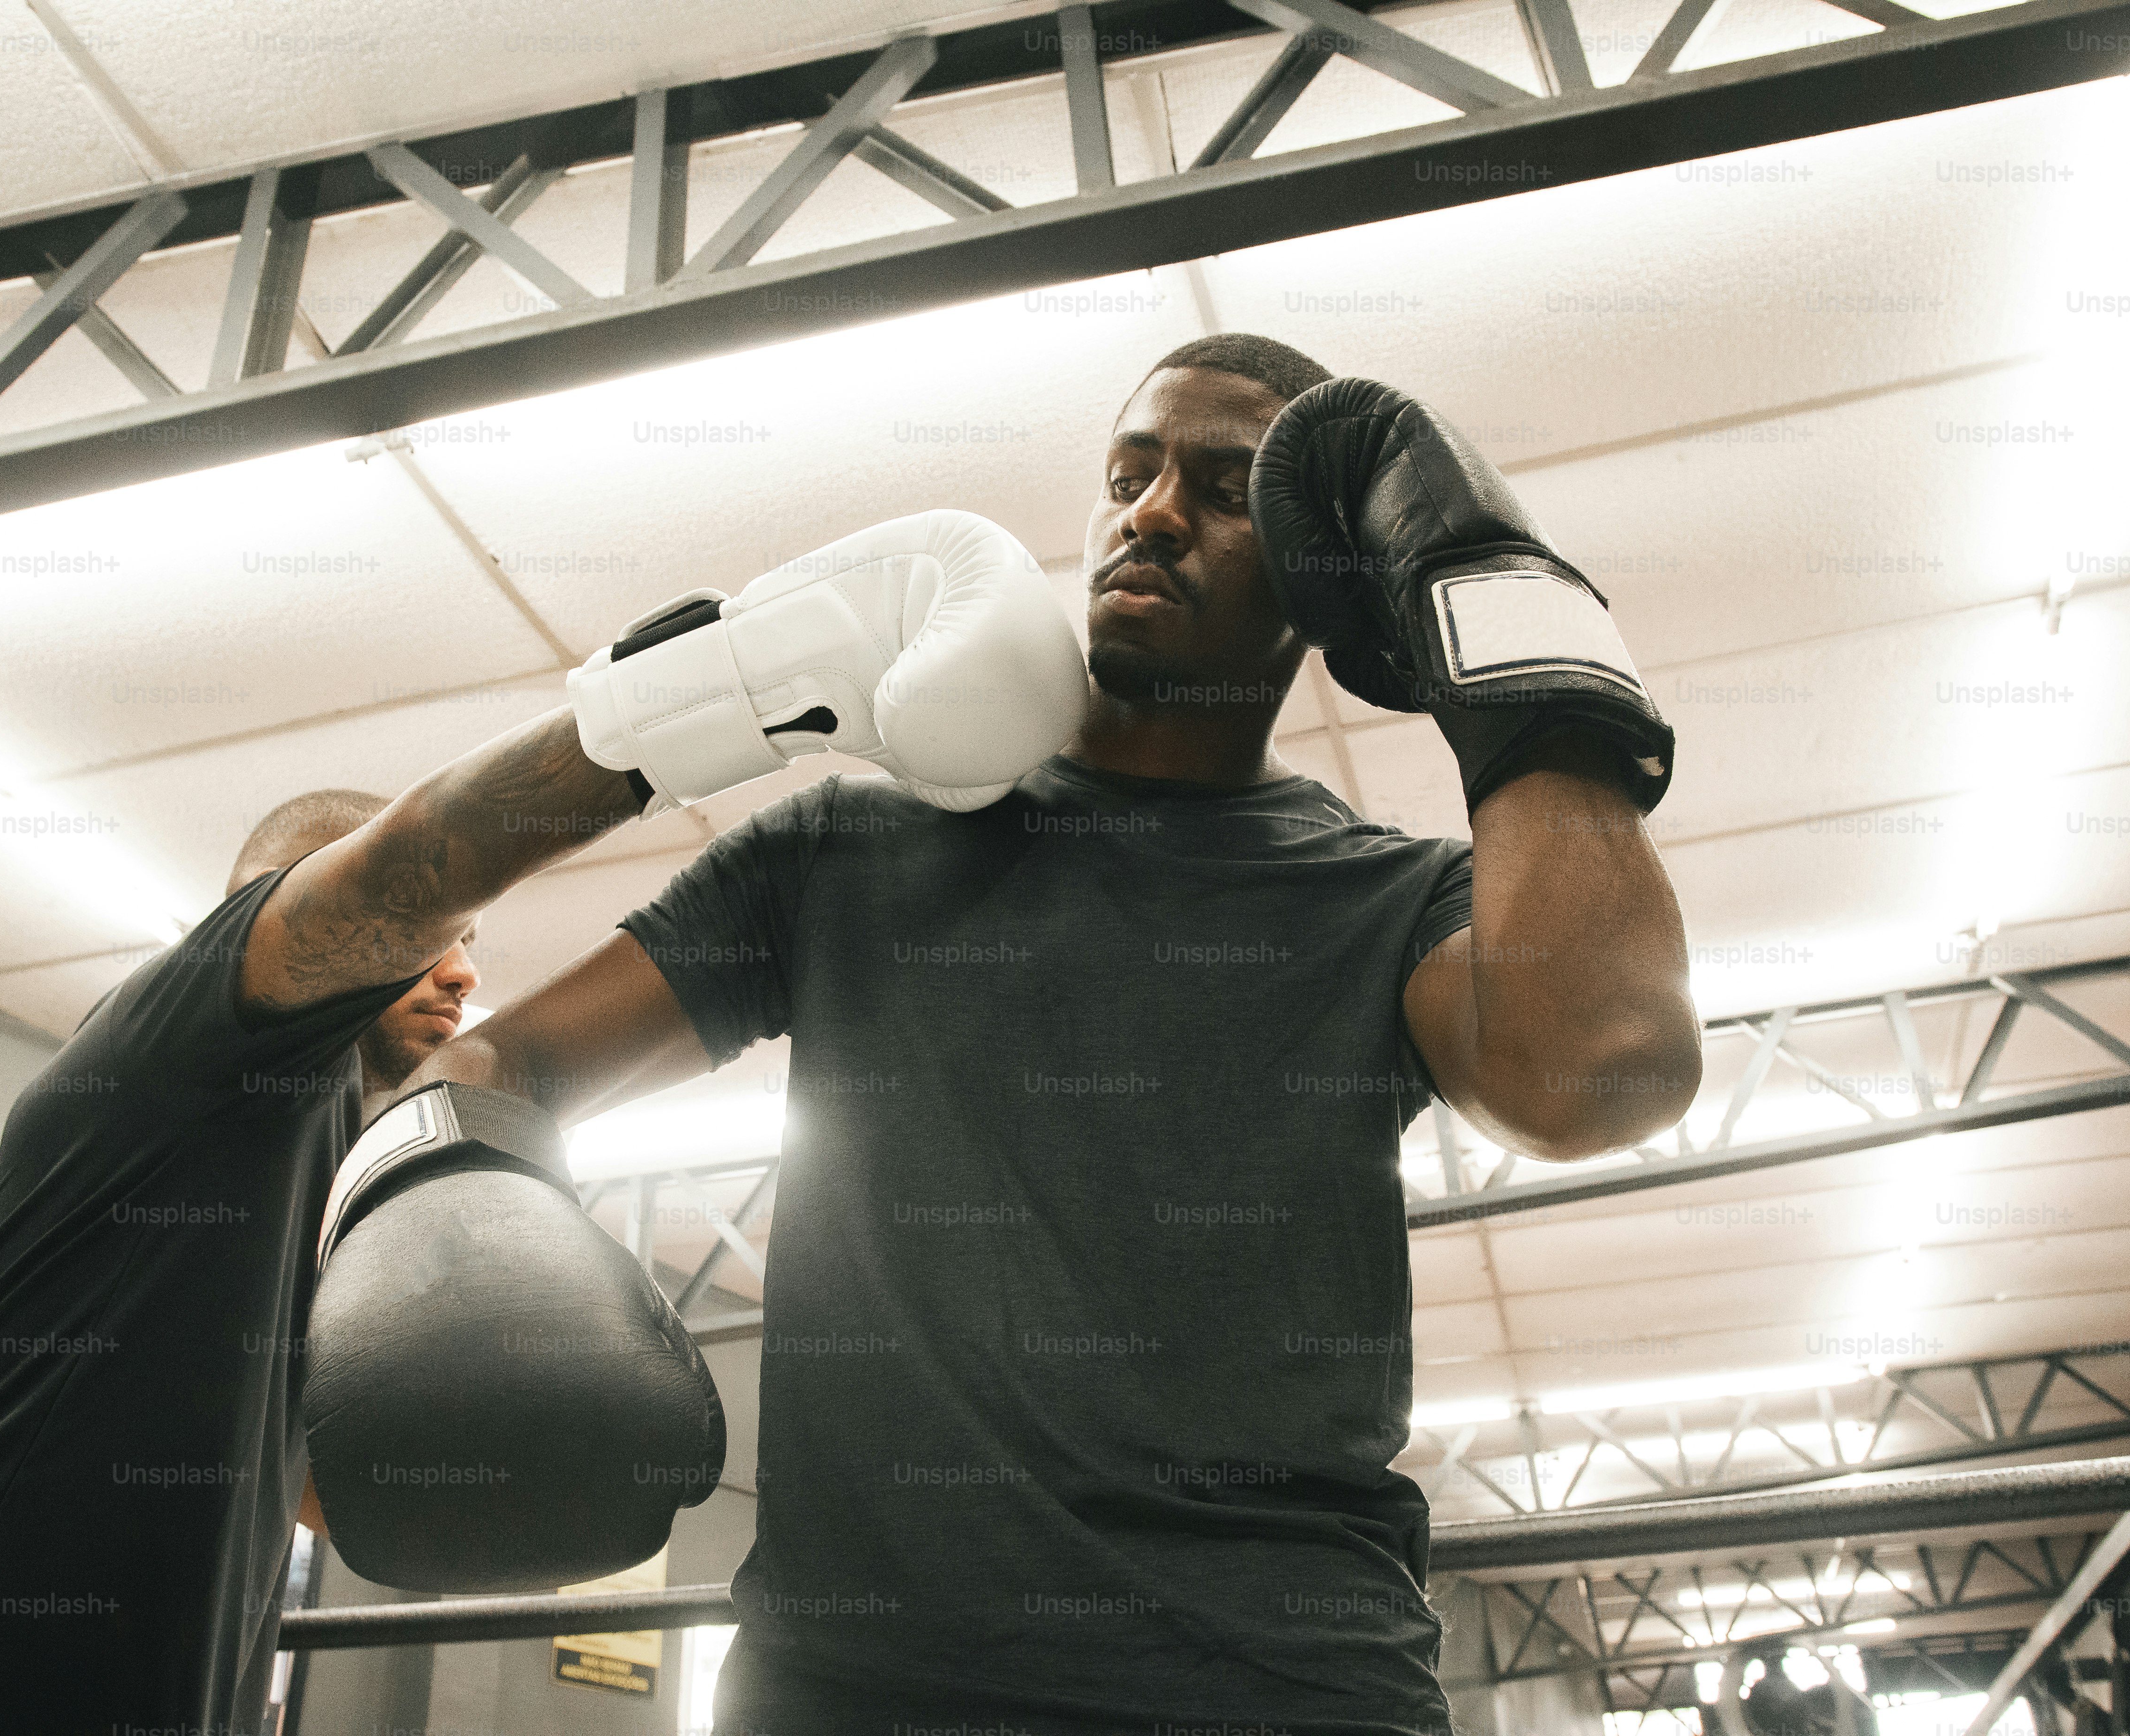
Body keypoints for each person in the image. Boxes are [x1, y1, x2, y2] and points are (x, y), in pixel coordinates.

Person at [387, 333, 1705, 1734]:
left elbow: (1599, 1075)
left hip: (1278, 1687)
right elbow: (495, 1072)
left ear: (1323, 570)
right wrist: (493, 1285)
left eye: (1221, 487)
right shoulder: (851, 847)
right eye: (1128, 476)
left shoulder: (1394, 903)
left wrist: (1493, 609)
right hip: (853, 1692)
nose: (1148, 512)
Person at [0, 745, 645, 1733]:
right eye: (432, 933)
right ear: (274, 914)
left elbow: (333, 1492)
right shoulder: (184, 1040)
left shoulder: (309, 1160)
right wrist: (691, 709)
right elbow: (411, 861)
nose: (461, 967)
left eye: (471, 940)